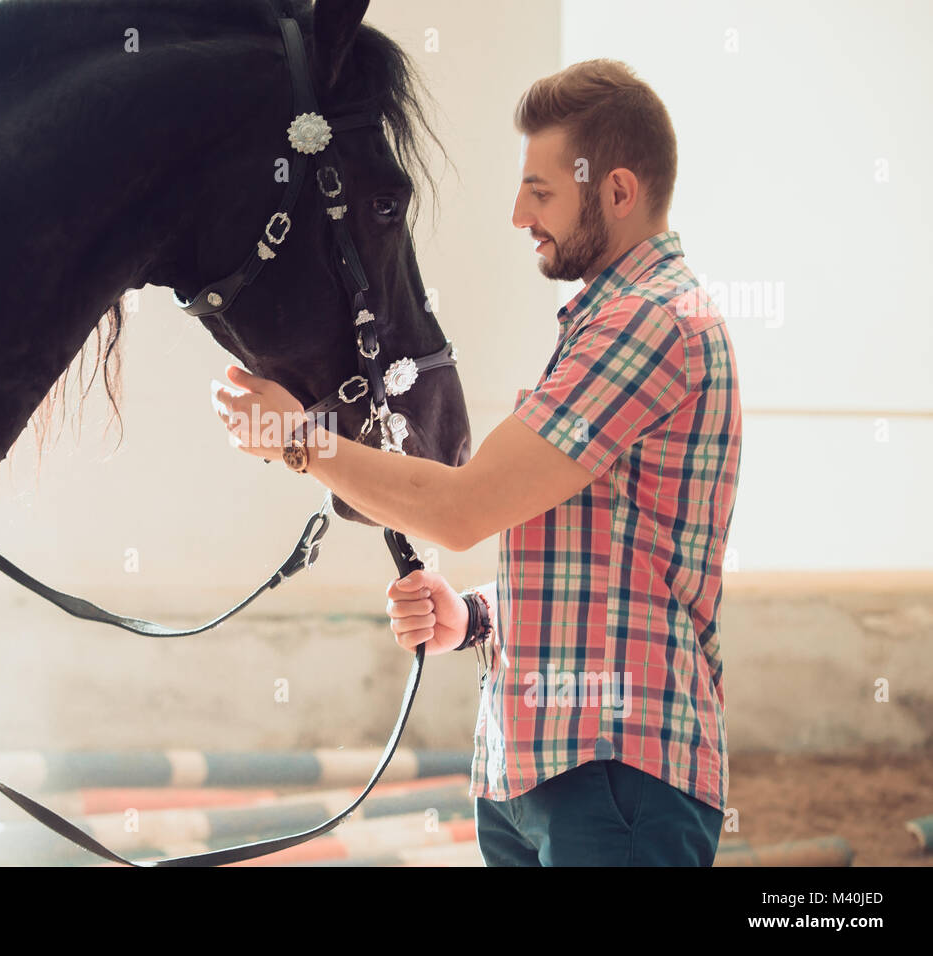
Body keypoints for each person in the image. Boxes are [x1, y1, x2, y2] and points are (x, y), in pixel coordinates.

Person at [210, 58, 741, 866]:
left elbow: (462, 509)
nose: (519, 213)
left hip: (612, 768)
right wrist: (477, 619)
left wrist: (302, 439)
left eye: (541, 189)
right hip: (545, 768)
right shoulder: (615, 322)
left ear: (618, 192)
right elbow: (605, 554)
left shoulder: (652, 321)